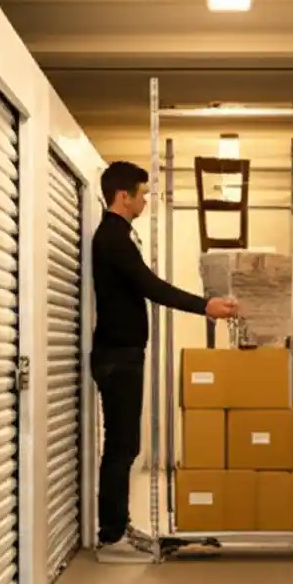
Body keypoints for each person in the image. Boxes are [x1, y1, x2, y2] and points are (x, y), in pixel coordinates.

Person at [91, 161, 239, 563]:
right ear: (123, 196)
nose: (145, 201)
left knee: (125, 446)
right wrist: (205, 306)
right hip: (118, 357)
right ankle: (111, 538)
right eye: (142, 194)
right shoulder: (112, 238)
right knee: (121, 448)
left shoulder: (117, 236)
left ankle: (118, 527)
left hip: (122, 354)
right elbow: (150, 287)